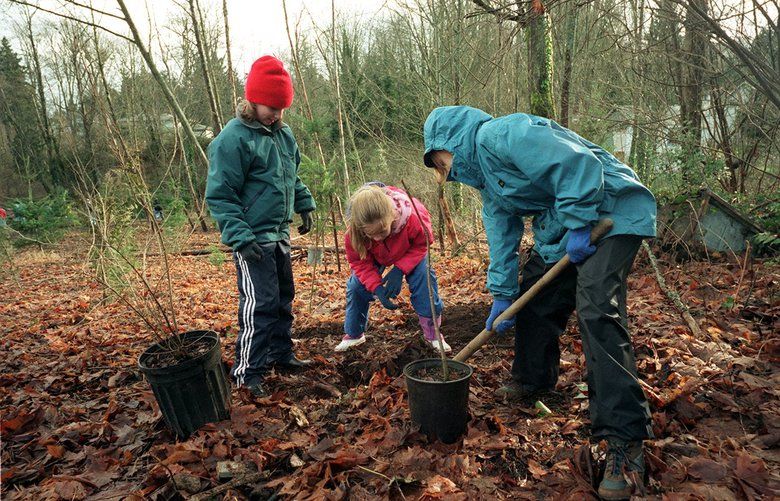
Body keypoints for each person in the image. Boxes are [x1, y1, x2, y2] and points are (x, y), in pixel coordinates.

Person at [423, 106, 656, 500]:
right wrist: (502, 295)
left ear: (450, 142)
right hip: (570, 226)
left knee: (597, 310)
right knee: (533, 296)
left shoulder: (503, 134)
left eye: (440, 160)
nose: (444, 171)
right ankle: (533, 380)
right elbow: (501, 234)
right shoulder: (488, 183)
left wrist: (579, 222)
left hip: (612, 209)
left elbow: (576, 163)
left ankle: (624, 440)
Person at [206, 55, 316, 398]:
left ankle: (280, 354)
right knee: (260, 304)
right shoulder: (233, 139)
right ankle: (248, 371)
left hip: (279, 234)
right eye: (272, 107)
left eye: (282, 108)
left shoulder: (283, 135)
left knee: (283, 298)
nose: (277, 114)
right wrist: (240, 237)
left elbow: (291, 176)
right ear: (253, 100)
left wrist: (304, 204)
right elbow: (221, 195)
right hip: (252, 238)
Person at [337, 183, 450, 353]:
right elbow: (360, 263)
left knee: (424, 278)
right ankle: (354, 334)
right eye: (371, 234)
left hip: (410, 251)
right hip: (376, 255)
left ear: (392, 215)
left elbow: (422, 244)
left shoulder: (413, 215)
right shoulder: (355, 232)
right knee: (355, 286)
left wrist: (400, 269)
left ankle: (433, 335)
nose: (377, 238)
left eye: (382, 231)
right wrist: (376, 287)